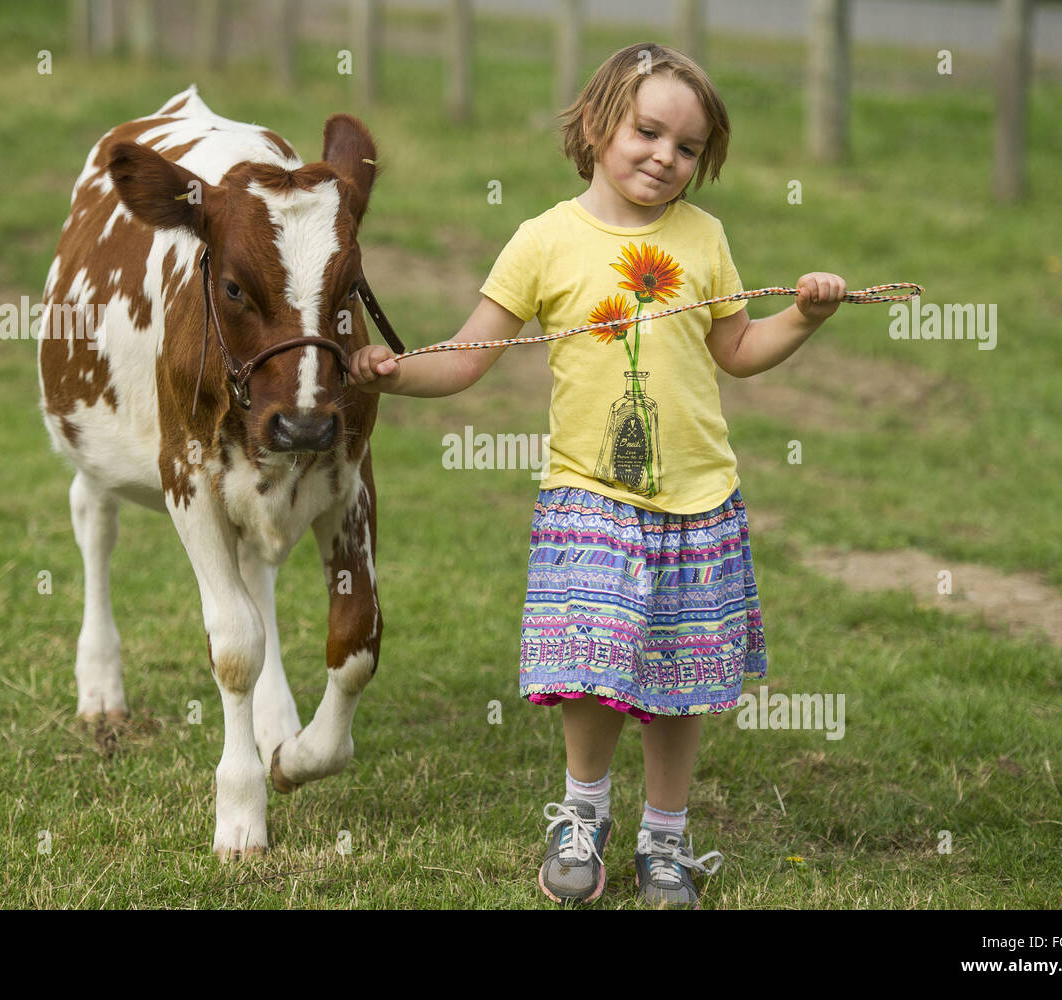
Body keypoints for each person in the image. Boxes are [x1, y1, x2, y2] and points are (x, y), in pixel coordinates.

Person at [347, 42, 847, 908]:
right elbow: (469, 357)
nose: (665, 157)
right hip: (590, 498)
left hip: (695, 502)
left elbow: (737, 350)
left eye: (687, 148)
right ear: (596, 125)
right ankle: (581, 815)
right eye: (647, 132)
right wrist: (399, 368)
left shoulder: (705, 239)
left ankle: (667, 836)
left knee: (680, 674)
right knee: (594, 666)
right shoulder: (544, 240)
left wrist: (800, 318)